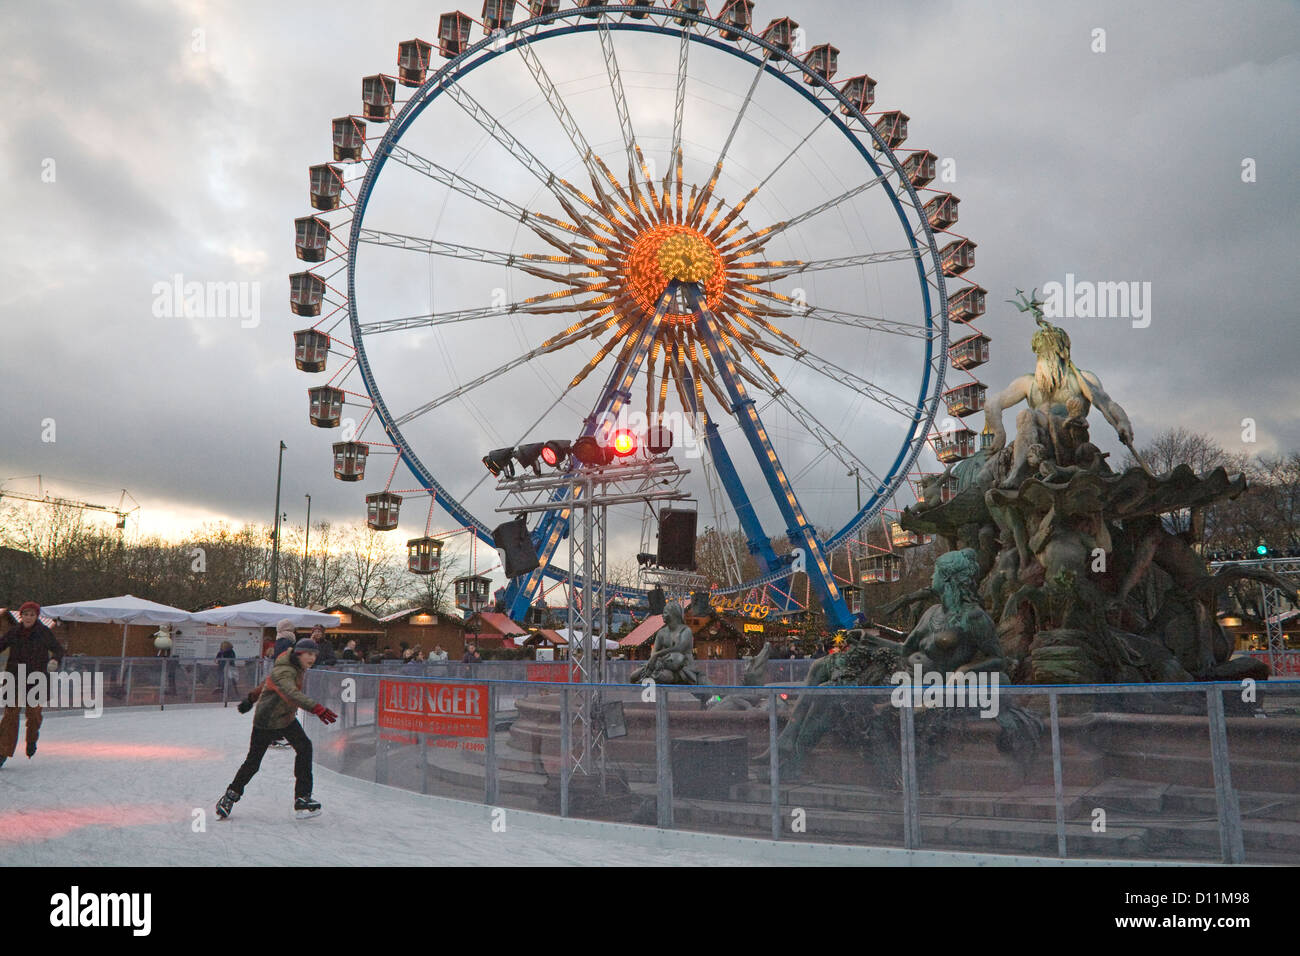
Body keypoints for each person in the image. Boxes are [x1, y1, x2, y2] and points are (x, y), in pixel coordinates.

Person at [217, 637, 337, 819]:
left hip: (285, 718)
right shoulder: (286, 670)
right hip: (266, 720)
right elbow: (290, 692)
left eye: (315, 654)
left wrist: (251, 698)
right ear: (298, 653)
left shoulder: (294, 667)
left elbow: (267, 682)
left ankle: (302, 798)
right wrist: (316, 707)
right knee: (253, 763)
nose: (312, 658)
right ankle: (229, 796)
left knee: (305, 747)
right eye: (309, 654)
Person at [0, 601, 65, 768]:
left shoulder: (43, 633)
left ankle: (31, 741)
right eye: (26, 614)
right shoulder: (14, 632)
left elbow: (58, 649)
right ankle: (2, 752)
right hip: (14, 678)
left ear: (36, 616)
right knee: (10, 717)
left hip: (36, 680)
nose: (29, 617)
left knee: (34, 715)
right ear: (21, 615)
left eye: (32, 615)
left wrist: (55, 659)